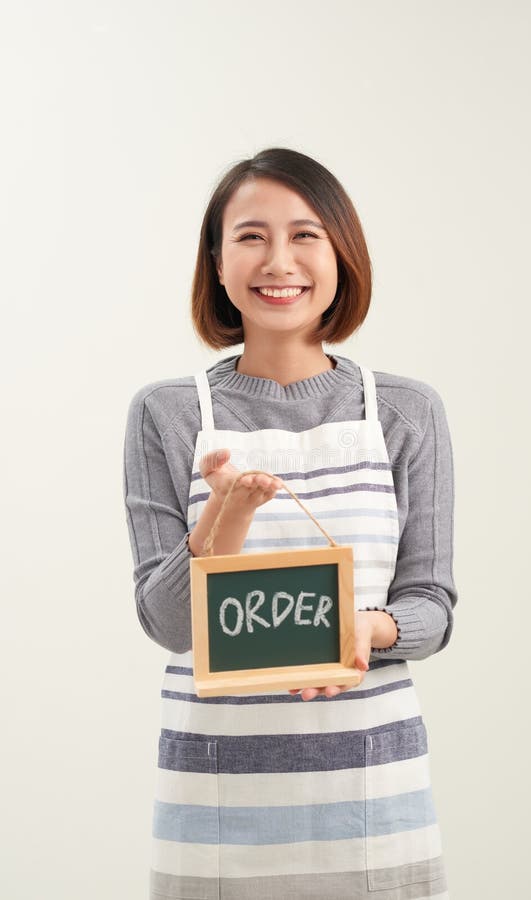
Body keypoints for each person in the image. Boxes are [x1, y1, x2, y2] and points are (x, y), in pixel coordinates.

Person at [123, 147, 458, 900]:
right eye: (250, 236)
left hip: (372, 784)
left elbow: (431, 610)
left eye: (305, 235)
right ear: (215, 261)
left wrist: (361, 630)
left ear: (341, 254)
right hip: (217, 792)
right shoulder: (168, 413)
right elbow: (168, 624)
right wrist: (227, 514)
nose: (279, 261)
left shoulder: (404, 409)